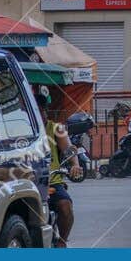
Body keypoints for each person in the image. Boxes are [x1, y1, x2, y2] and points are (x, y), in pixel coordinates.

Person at [34, 87, 82, 248]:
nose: (39, 115)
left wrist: (75, 164)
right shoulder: (21, 130)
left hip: (52, 182)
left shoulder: (56, 129)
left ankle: (62, 241)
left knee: (65, 206)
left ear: (46, 112)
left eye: (41, 111)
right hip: (29, 183)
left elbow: (69, 149)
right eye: (35, 111)